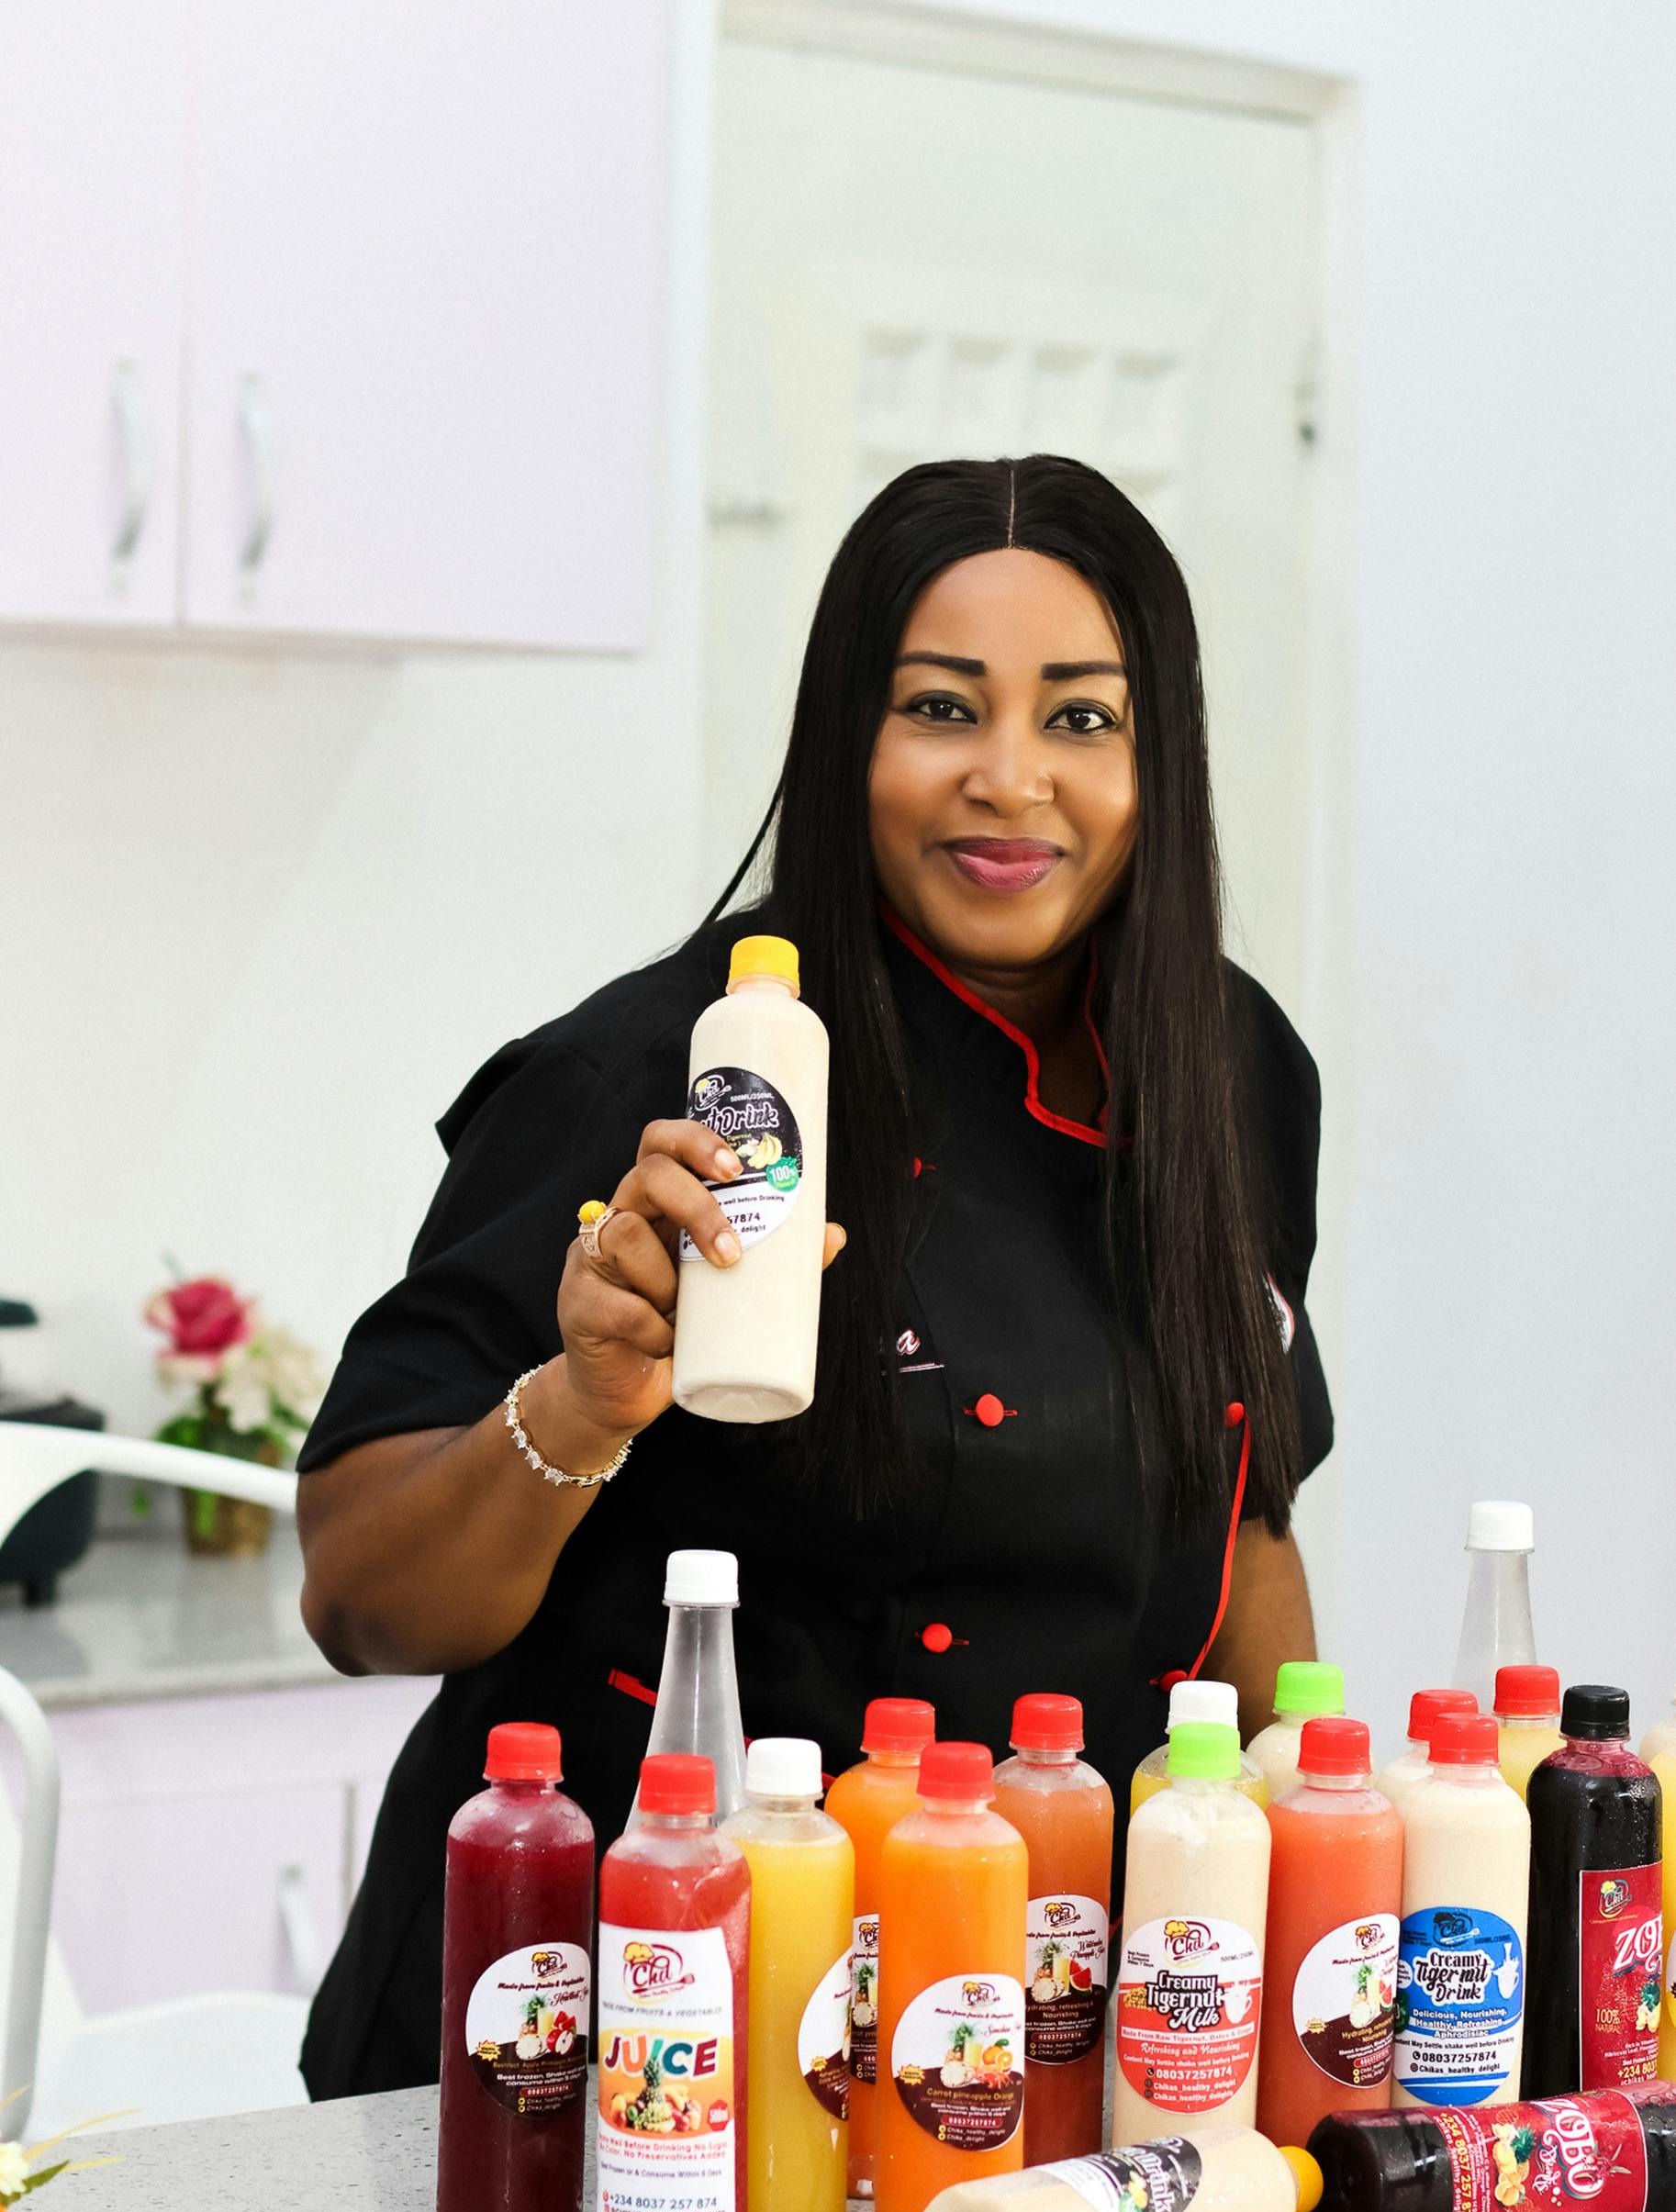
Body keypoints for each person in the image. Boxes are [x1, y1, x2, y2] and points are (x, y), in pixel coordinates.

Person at [296, 454, 1333, 2096]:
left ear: (1162, 756)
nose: (1012, 781)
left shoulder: (1230, 1069)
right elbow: (361, 1595)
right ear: (844, 740)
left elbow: (1243, 1517)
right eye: (939, 709)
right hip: (604, 2034)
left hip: (1015, 2027)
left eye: (1080, 718)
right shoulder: (668, 1073)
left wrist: (1338, 1859)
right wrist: (583, 1400)